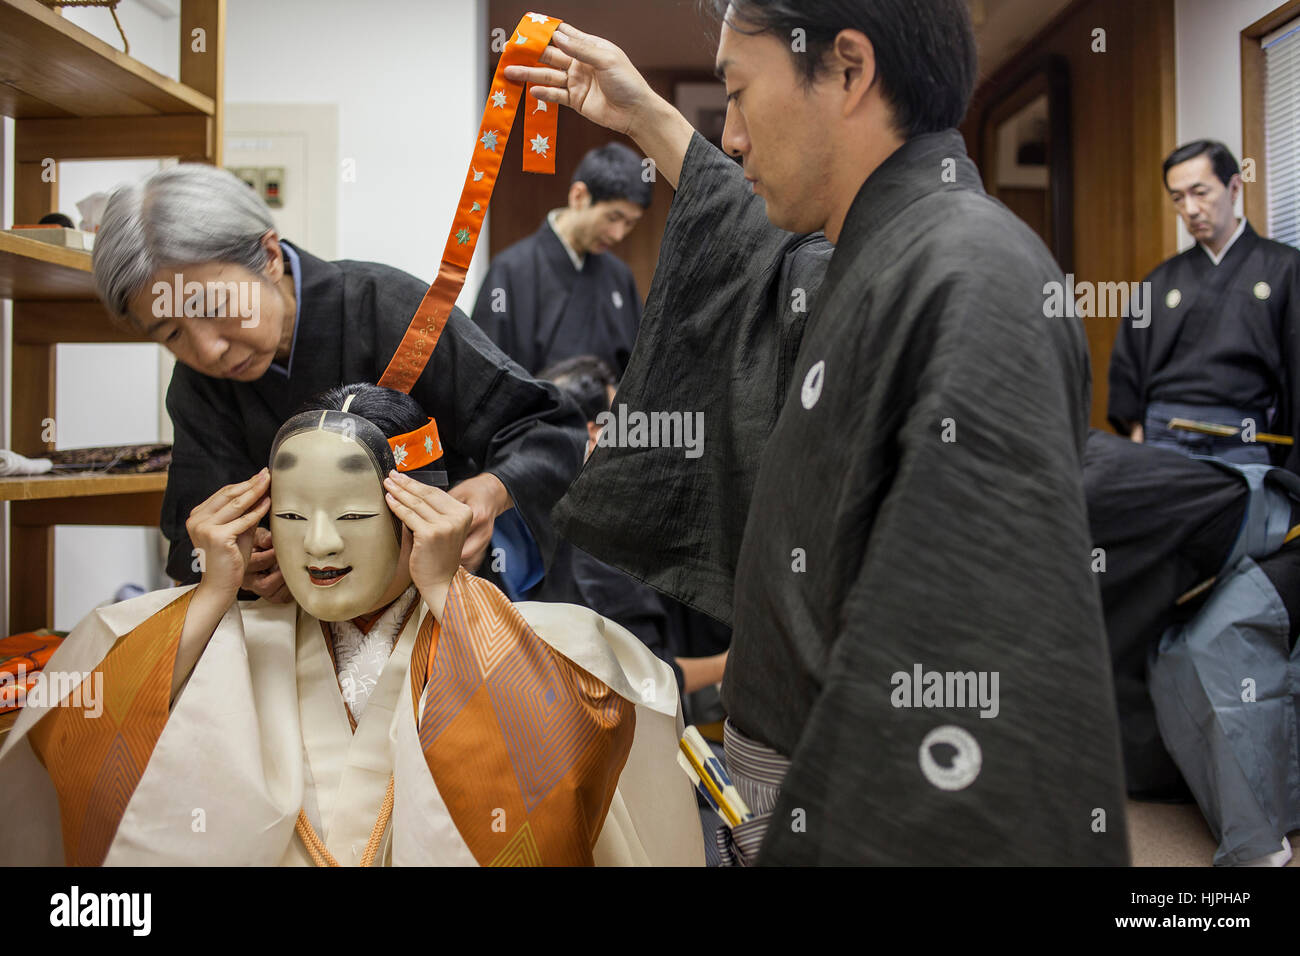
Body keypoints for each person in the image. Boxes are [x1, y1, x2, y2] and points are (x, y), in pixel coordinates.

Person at [510, 2, 1128, 865]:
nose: (732, 138)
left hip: (846, 783)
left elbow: (960, 674)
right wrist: (646, 116)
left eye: (738, 93)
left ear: (846, 69)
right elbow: (754, 248)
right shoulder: (875, 250)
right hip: (773, 751)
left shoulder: (973, 279)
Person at [0, 384, 703, 867]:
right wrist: (212, 590)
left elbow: (558, 771)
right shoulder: (220, 635)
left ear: (420, 511)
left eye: (355, 515)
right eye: (293, 516)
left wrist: (444, 592)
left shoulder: (535, 640)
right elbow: (84, 743)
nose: (322, 543)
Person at [90, 163, 587, 601]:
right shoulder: (198, 384)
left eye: (216, 308)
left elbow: (545, 426)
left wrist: (489, 491)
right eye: (172, 332)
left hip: (434, 604)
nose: (207, 350)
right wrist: (235, 564)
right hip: (296, 624)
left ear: (268, 256)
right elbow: (189, 534)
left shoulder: (390, 311)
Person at [530, 355, 729, 697]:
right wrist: (728, 664)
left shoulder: (538, 515)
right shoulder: (591, 546)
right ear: (592, 437)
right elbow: (645, 680)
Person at [1108, 140, 1300, 469]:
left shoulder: (1284, 268)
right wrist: (1137, 433)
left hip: (1243, 437)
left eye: (1201, 192)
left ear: (1234, 187)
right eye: (1178, 198)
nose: (1191, 209)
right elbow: (1129, 364)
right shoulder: (1160, 280)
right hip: (1164, 435)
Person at [470, 143, 650, 376]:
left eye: (630, 223)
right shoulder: (510, 270)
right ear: (579, 196)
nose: (618, 234)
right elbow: (484, 370)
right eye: (613, 217)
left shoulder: (619, 276)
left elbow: (639, 371)